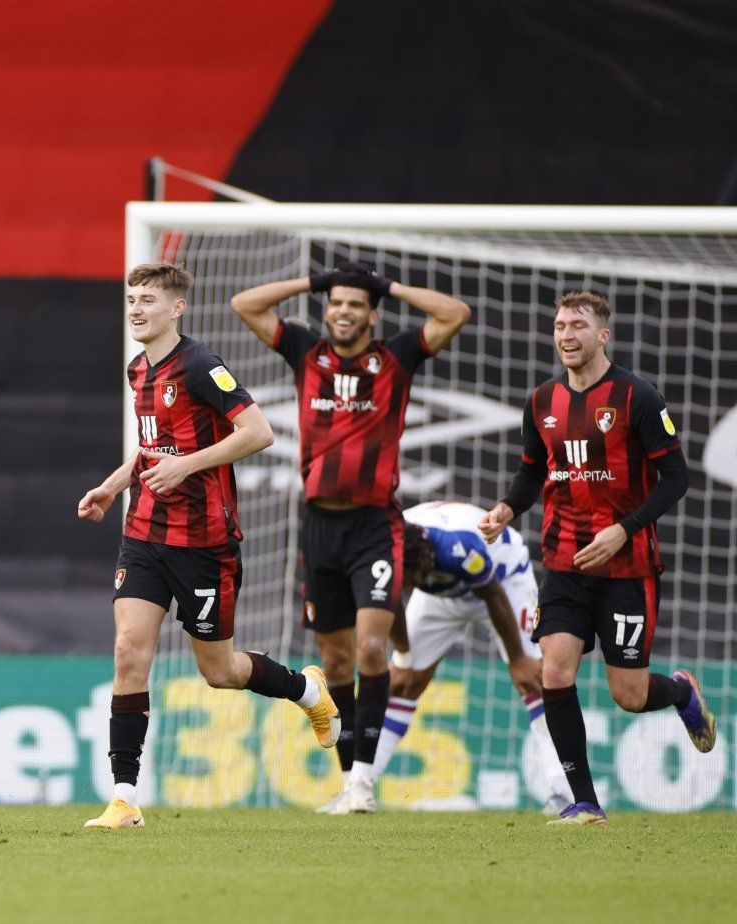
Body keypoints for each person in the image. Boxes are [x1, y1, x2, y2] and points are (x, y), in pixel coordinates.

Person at [77, 262, 339, 829]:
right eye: (130, 299)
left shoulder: (200, 365)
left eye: (148, 299)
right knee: (128, 653)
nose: (136, 308)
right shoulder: (136, 370)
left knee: (218, 672)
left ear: (177, 308)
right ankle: (124, 798)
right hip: (144, 534)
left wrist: (186, 467)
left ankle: (304, 689)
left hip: (204, 544)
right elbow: (152, 449)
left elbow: (258, 432)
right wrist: (112, 486)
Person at [231, 260, 470, 813]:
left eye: (356, 303)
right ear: (326, 308)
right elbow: (246, 303)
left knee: (369, 647)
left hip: (374, 525)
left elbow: (456, 313)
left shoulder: (396, 357)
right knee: (336, 663)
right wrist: (313, 282)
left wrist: (384, 285)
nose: (344, 311)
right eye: (335, 301)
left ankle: (364, 779)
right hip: (318, 528)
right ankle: (348, 785)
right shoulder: (305, 352)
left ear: (372, 314)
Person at [480, 291, 714, 826]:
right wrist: (506, 509)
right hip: (563, 563)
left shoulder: (637, 397)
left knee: (628, 694)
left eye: (578, 326)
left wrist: (624, 530)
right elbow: (532, 471)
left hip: (628, 568)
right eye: (560, 325)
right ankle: (585, 802)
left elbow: (677, 478)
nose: (566, 335)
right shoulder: (541, 401)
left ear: (602, 335)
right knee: (554, 672)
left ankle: (681, 691)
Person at [369, 500, 570, 814]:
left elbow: (492, 594)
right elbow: (391, 599)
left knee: (534, 678)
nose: (407, 584)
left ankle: (562, 790)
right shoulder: (387, 548)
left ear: (424, 557)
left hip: (503, 581)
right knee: (401, 683)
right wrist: (405, 656)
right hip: (444, 594)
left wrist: (518, 657)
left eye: (411, 577)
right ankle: (361, 788)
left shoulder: (456, 546)